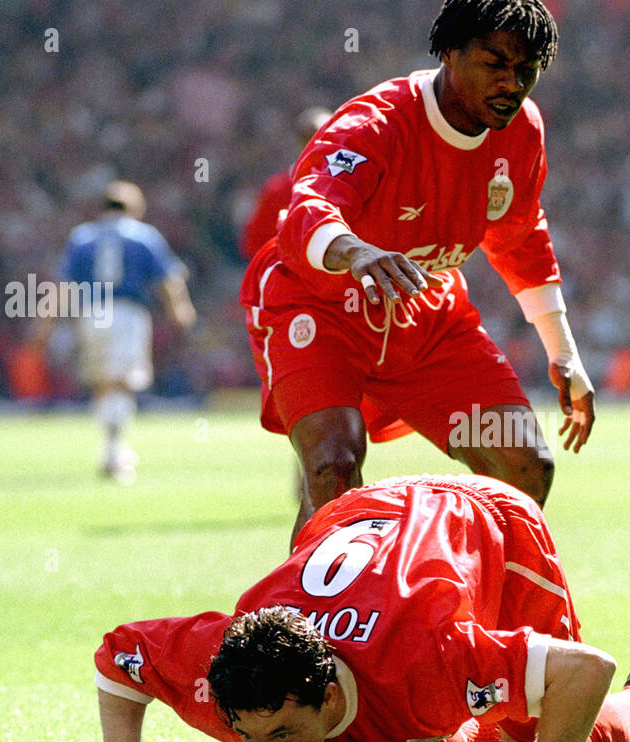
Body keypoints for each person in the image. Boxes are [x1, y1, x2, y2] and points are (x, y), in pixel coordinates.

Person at [93, 474, 630, 742]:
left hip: (491, 523)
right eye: (249, 735)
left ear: (330, 694)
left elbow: (588, 671)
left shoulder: (430, 653)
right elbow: (120, 656)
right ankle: (491, 726)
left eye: (282, 733)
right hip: (360, 514)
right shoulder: (225, 665)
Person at [240, 0, 595, 544]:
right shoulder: (377, 122)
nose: (511, 83)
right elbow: (308, 208)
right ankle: (317, 625)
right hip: (320, 306)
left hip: (424, 313)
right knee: (333, 467)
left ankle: (466, 611)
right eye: (494, 63)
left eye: (526, 70)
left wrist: (562, 349)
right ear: (450, 53)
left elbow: (521, 236)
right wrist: (356, 252)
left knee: (526, 464)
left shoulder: (521, 130)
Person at [36, 180, 195, 483]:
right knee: (121, 383)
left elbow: (62, 286)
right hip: (127, 312)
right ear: (134, 208)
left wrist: (45, 324)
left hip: (92, 313)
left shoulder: (83, 236)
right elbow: (169, 279)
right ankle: (115, 454)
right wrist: (180, 311)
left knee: (103, 383)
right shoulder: (143, 235)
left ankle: (112, 448)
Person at [240, 106, 333, 261]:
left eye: (327, 137)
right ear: (300, 142)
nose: (320, 144)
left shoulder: (352, 181)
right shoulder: (277, 190)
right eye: (311, 138)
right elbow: (253, 244)